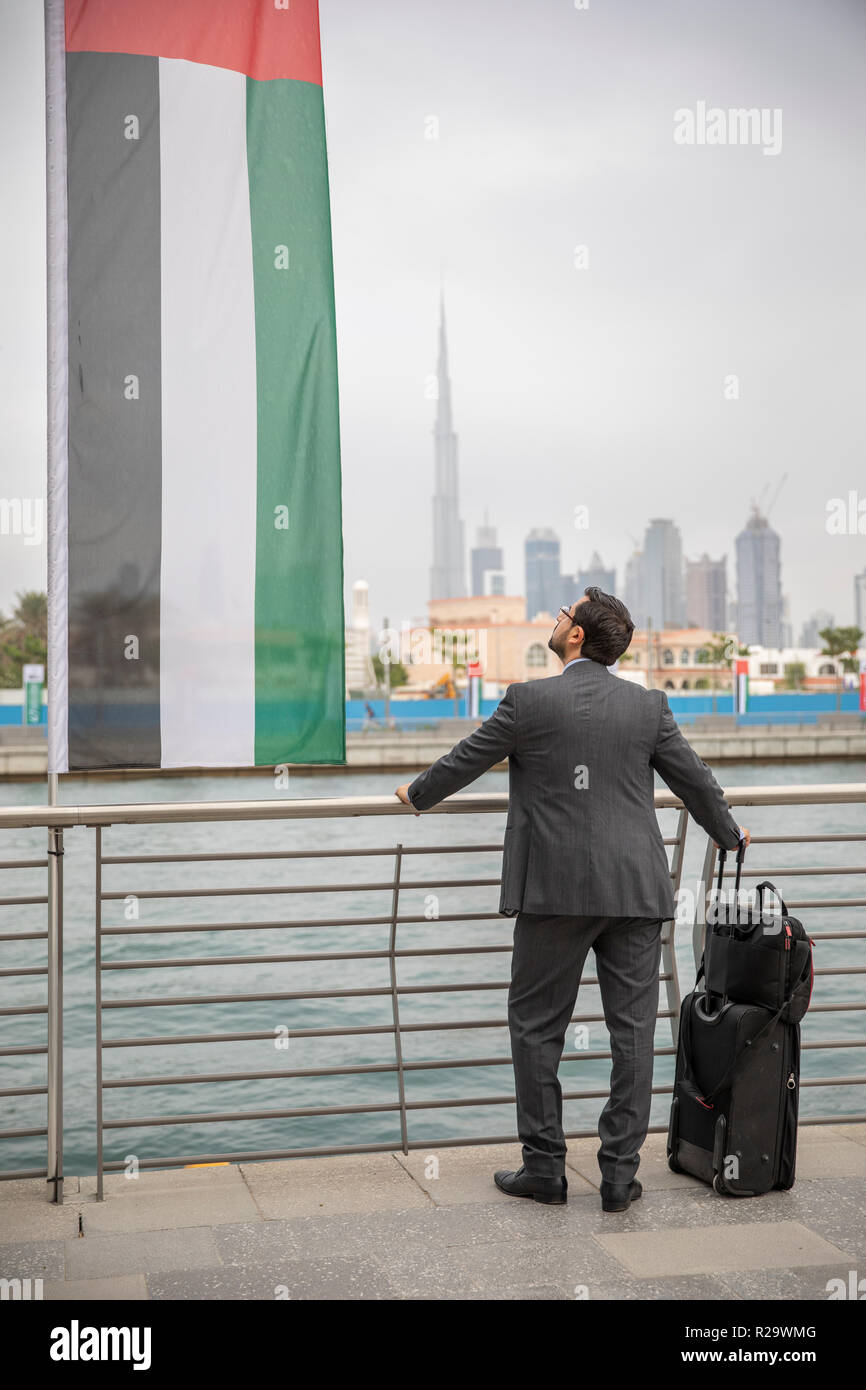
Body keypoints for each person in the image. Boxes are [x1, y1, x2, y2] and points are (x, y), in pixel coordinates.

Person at [395, 587, 749, 1211]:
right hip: (635, 889)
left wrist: (418, 794)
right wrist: (729, 833)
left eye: (563, 614)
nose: (555, 620)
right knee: (633, 1033)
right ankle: (618, 1176)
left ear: (578, 636)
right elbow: (695, 781)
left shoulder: (530, 700)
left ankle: (546, 1169)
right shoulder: (647, 707)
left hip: (552, 893)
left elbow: (465, 761)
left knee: (535, 1029)